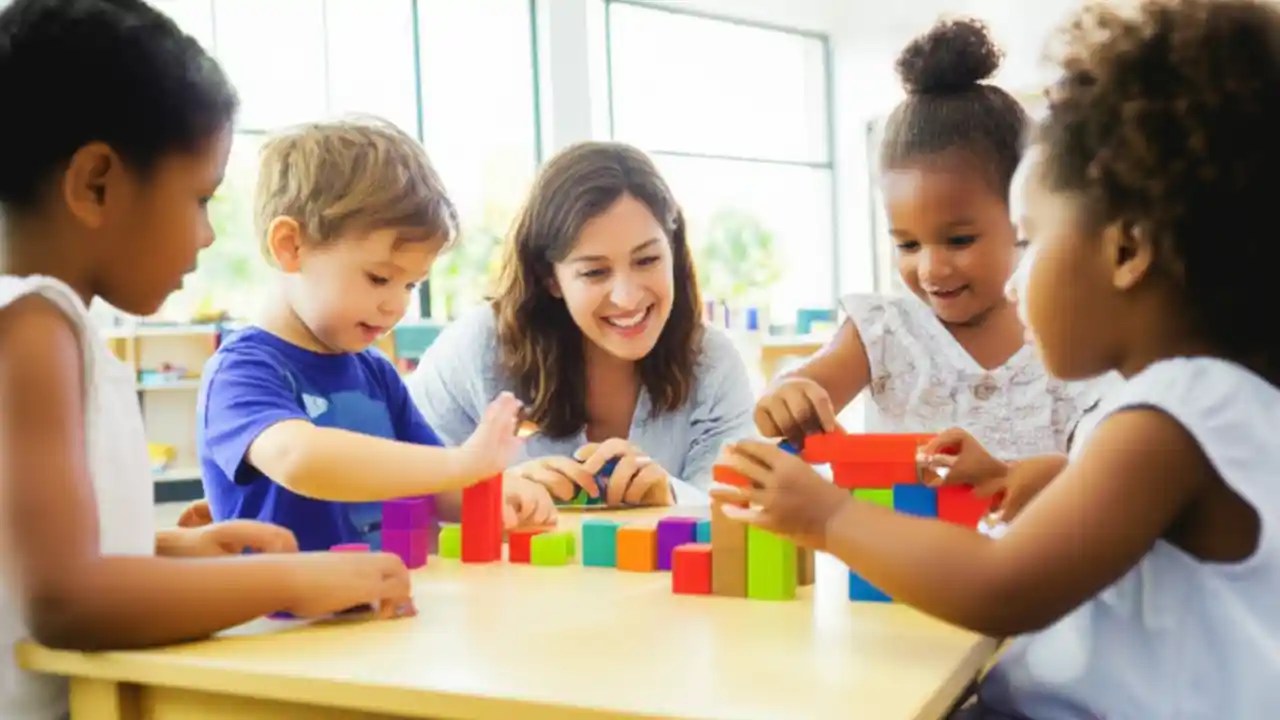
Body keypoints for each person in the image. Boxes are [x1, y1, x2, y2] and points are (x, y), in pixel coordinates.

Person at [717, 1, 1280, 716]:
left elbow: (1001, 585)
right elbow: (1142, 533)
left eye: (1029, 236)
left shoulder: (1167, 418)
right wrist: (1032, 477)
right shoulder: (1212, 402)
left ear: (1127, 250)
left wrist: (826, 517)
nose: (1016, 278)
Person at [0, 2, 412, 717]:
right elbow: (64, 600)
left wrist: (161, 550)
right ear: (96, 184)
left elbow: (21, 559)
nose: (207, 237)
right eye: (200, 198)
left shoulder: (37, 322)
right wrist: (290, 581)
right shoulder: (36, 326)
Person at [198, 118, 555, 552]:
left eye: (411, 285)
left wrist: (494, 495)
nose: (397, 305)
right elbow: (299, 459)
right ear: (292, 246)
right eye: (379, 278)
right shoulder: (242, 372)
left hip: (392, 606)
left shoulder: (376, 373)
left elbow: (436, 484)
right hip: (287, 616)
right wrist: (463, 462)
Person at [754, 18, 1101, 464]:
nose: (931, 269)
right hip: (899, 535)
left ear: (1024, 219)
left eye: (959, 240)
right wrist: (785, 395)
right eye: (908, 245)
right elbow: (791, 397)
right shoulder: (883, 330)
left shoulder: (1071, 334)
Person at [408, 142, 756, 506]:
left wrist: (670, 496)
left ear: (673, 250)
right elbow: (399, 485)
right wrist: (493, 492)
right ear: (551, 278)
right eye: (594, 272)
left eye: (647, 260)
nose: (627, 297)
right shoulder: (479, 347)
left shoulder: (711, 361)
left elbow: (739, 508)